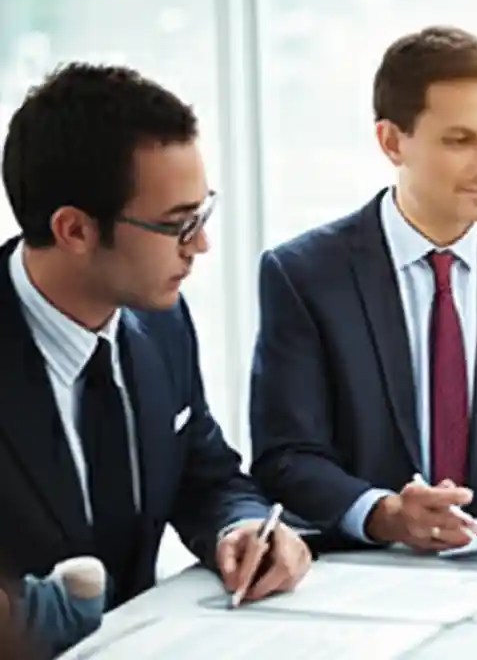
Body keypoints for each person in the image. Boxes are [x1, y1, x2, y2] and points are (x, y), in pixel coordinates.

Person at [250, 26, 477, 552]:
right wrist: (384, 513)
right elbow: (287, 456)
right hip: (362, 570)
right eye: (460, 140)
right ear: (392, 142)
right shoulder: (305, 274)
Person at [0, 64, 311, 611]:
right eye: (178, 224)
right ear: (75, 229)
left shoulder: (162, 322)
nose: (201, 245)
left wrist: (241, 528)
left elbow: (205, 473)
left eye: (202, 213)